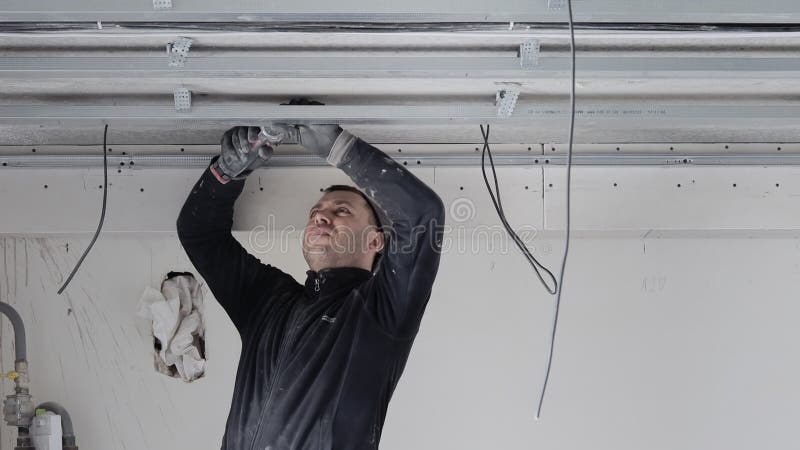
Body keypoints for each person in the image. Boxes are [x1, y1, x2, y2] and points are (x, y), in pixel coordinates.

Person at [177, 123, 445, 449]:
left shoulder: (381, 311)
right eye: (315, 212)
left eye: (341, 211)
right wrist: (226, 173)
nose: (320, 217)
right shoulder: (267, 301)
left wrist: (340, 148)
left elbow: (422, 216)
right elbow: (199, 234)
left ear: (376, 241)